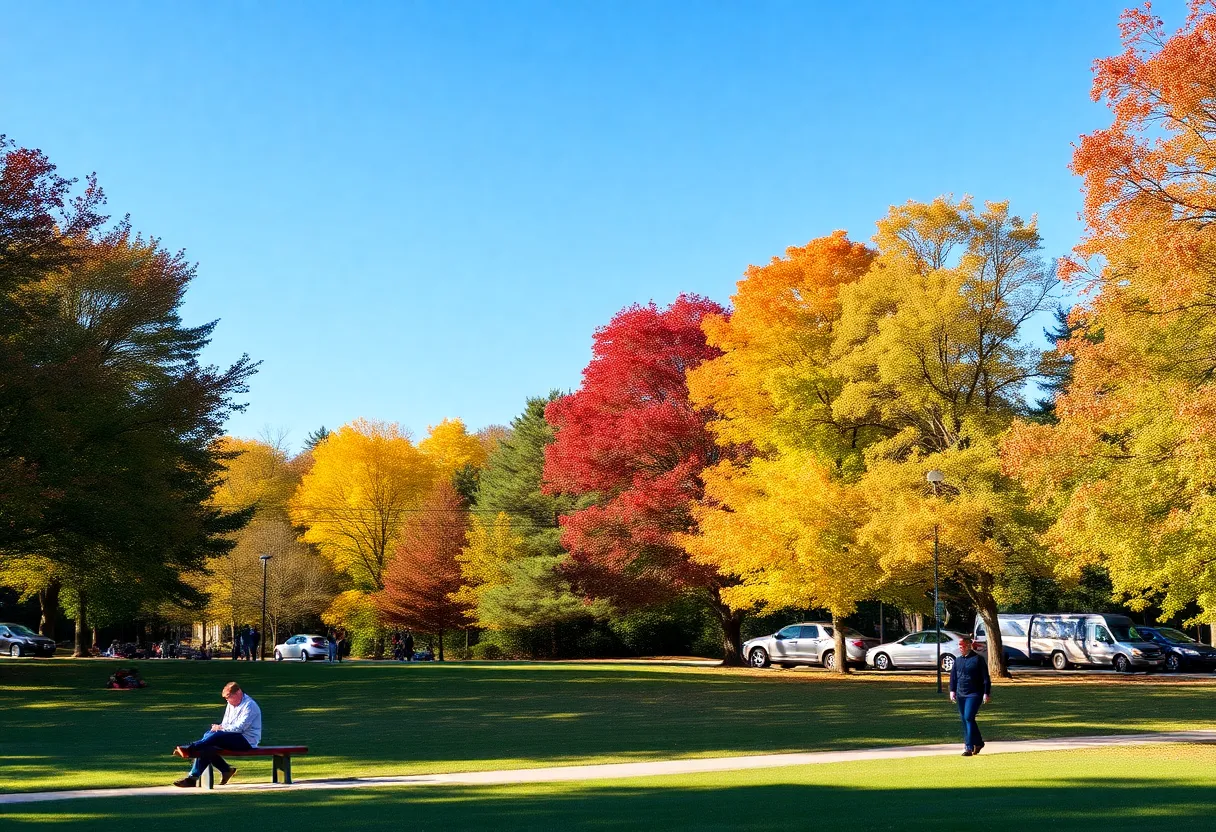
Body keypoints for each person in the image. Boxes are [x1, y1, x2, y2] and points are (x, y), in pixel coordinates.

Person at [171, 681, 262, 787]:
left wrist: (221, 729)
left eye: (229, 698)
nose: (227, 701)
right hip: (231, 736)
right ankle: (195, 778)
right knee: (208, 742)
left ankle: (191, 748)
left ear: (238, 693)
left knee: (215, 736)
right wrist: (218, 728)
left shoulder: (250, 706)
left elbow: (240, 728)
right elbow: (226, 723)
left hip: (246, 740)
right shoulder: (231, 704)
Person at [949, 635, 991, 756]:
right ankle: (978, 742)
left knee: (968, 717)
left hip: (974, 694)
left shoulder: (978, 659)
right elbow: (953, 677)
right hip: (961, 693)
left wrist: (986, 692)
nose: (960, 648)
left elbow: (985, 678)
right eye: (959, 646)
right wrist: (952, 691)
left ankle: (968, 746)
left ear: (969, 646)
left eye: (962, 646)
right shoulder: (958, 660)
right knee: (966, 719)